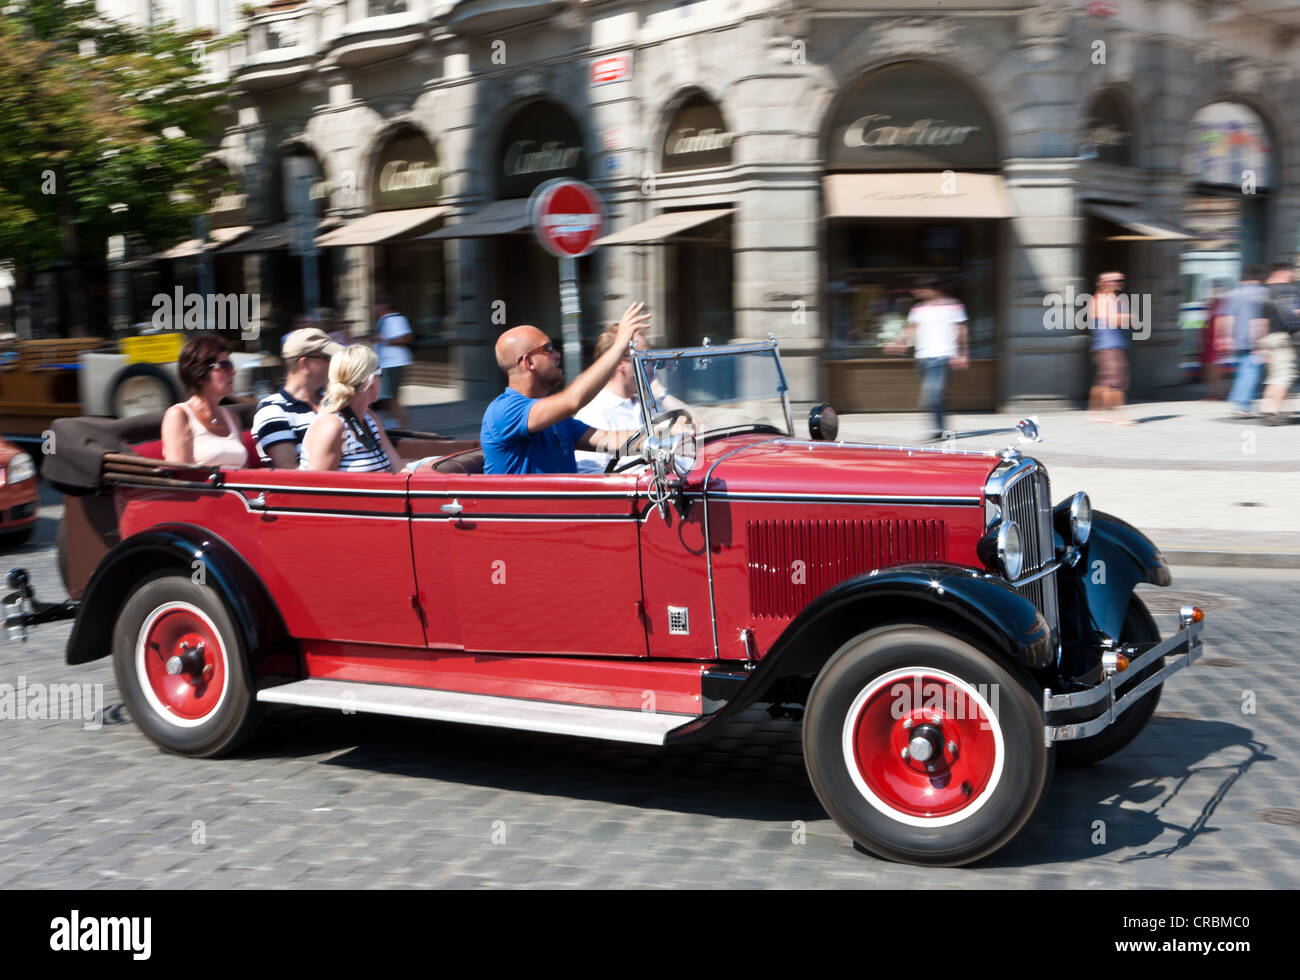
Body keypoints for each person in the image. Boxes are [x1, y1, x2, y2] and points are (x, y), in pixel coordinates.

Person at [481, 302, 653, 475]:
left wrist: (666, 437)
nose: (557, 355)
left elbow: (608, 440)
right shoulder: (504, 411)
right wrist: (620, 344)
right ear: (529, 362)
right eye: (548, 349)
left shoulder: (556, 419)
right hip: (529, 503)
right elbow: (573, 400)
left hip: (565, 502)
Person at [573, 328, 693, 474]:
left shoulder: (645, 404)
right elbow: (591, 479)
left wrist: (657, 388)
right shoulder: (593, 413)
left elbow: (698, 434)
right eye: (644, 358)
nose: (652, 364)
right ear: (619, 364)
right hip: (636, 494)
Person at [886, 276, 968, 440]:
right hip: (923, 357)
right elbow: (911, 329)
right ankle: (942, 427)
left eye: (921, 289)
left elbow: (961, 330)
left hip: (943, 356)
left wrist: (963, 354)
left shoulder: (953, 306)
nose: (917, 292)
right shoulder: (917, 309)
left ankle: (938, 429)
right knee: (936, 395)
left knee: (933, 393)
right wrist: (901, 343)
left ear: (933, 289)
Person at [300, 344, 404, 473]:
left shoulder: (369, 418)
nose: (381, 378)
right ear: (371, 380)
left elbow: (398, 469)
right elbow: (315, 488)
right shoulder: (332, 426)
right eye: (380, 372)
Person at [252, 326, 342, 467]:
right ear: (304, 363)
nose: (333, 363)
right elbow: (291, 477)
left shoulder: (331, 402)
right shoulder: (273, 410)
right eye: (327, 358)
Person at [161, 335, 247, 467]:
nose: (233, 372)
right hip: (206, 487)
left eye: (231, 366)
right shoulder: (179, 415)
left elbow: (247, 472)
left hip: (239, 486)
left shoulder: (231, 417)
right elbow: (179, 477)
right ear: (199, 375)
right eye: (225, 366)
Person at [1224, 266, 1274, 417]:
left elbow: (1228, 317)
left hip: (1238, 338)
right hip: (1257, 338)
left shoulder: (1234, 294)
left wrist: (1226, 337)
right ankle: (1242, 403)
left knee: (1244, 371)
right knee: (1251, 372)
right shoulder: (1264, 293)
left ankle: (1240, 401)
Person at [1086, 271, 1134, 424]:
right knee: (1116, 381)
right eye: (1114, 280)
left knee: (1105, 382)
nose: (1118, 282)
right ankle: (1118, 415)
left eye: (1120, 280)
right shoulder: (1102, 299)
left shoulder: (1113, 299)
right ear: (1102, 283)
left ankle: (1095, 413)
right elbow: (1114, 320)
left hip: (1111, 344)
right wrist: (1128, 317)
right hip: (1109, 345)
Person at [1260, 262, 1299, 423]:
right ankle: (1272, 412)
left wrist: (1261, 344)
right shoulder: (1290, 290)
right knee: (1283, 376)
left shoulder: (1265, 292)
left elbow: (1261, 320)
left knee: (1274, 376)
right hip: (1284, 337)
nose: (1293, 274)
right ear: (1283, 272)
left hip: (1270, 337)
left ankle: (1266, 409)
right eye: (1292, 271)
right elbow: (1296, 312)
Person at [372, 294, 412, 430]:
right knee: (389, 399)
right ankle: (394, 426)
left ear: (383, 305)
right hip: (386, 364)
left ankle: (400, 428)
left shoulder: (396, 318)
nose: (374, 309)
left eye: (376, 305)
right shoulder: (382, 320)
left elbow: (406, 338)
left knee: (392, 398)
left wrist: (385, 339)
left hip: (395, 363)